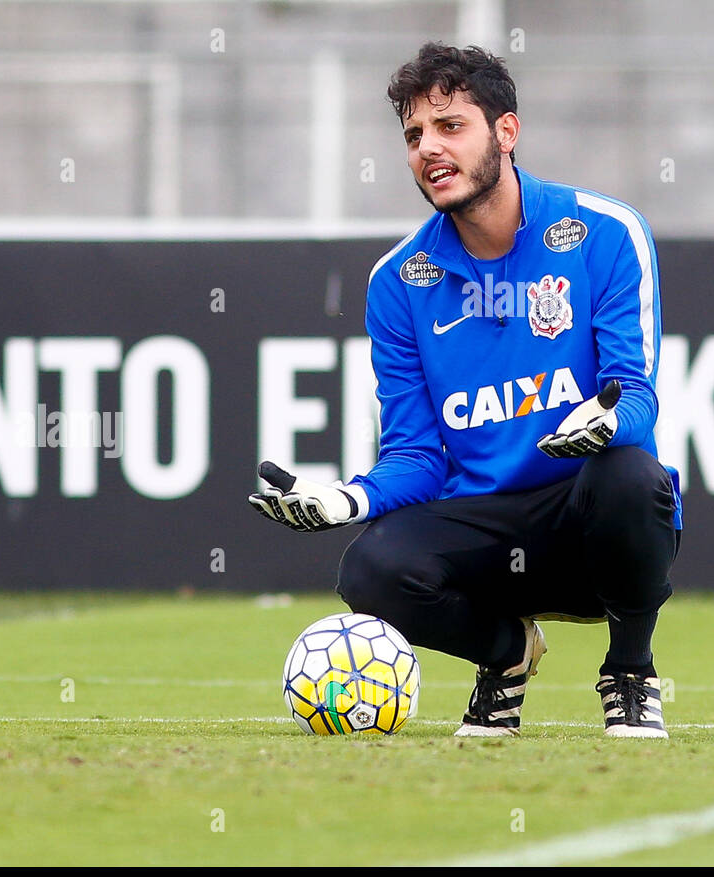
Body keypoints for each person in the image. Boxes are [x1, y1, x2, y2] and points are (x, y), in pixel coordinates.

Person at [249, 42, 681, 738]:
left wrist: (601, 423)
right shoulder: (398, 281)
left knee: (631, 477)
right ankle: (507, 657)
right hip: (486, 533)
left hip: (587, 521)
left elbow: (634, 395)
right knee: (370, 568)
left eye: (451, 126)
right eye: (414, 135)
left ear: (505, 133)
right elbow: (417, 454)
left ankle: (630, 670)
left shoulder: (603, 233)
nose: (428, 148)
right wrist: (348, 497)